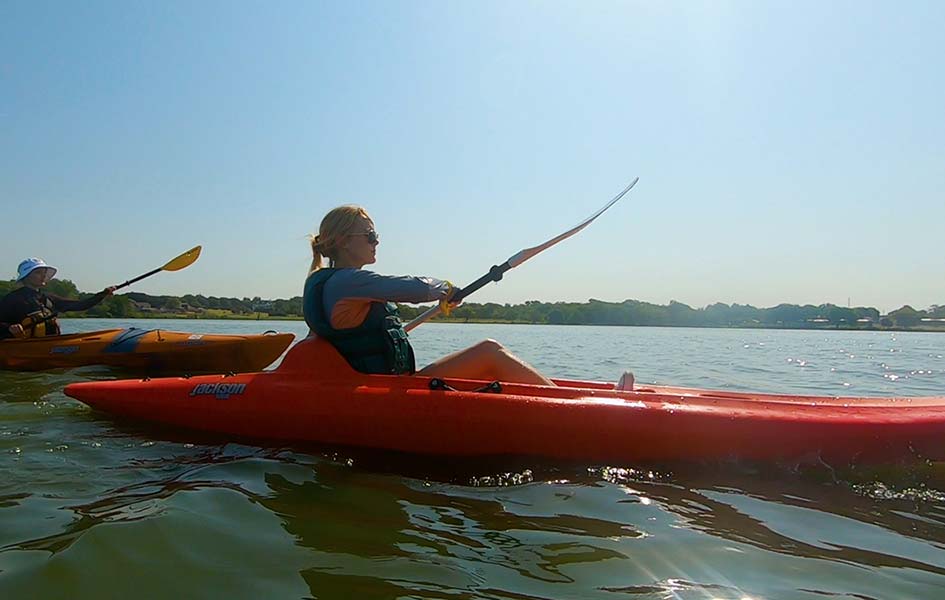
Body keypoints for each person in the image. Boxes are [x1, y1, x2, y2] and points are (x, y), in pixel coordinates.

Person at [303, 205, 555, 386]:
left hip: (382, 385)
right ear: (344, 241)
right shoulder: (348, 281)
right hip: (386, 393)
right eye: (370, 236)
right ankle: (574, 416)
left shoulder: (328, 284)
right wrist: (446, 288)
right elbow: (417, 288)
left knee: (487, 362)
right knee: (490, 352)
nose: (376, 242)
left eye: (375, 236)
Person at [0, 258, 115, 340]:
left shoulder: (48, 298)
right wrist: (9, 327)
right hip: (23, 346)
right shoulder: (12, 299)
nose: (43, 276)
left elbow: (80, 305)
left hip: (50, 344)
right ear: (26, 276)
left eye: (44, 273)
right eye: (38, 273)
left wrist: (102, 294)